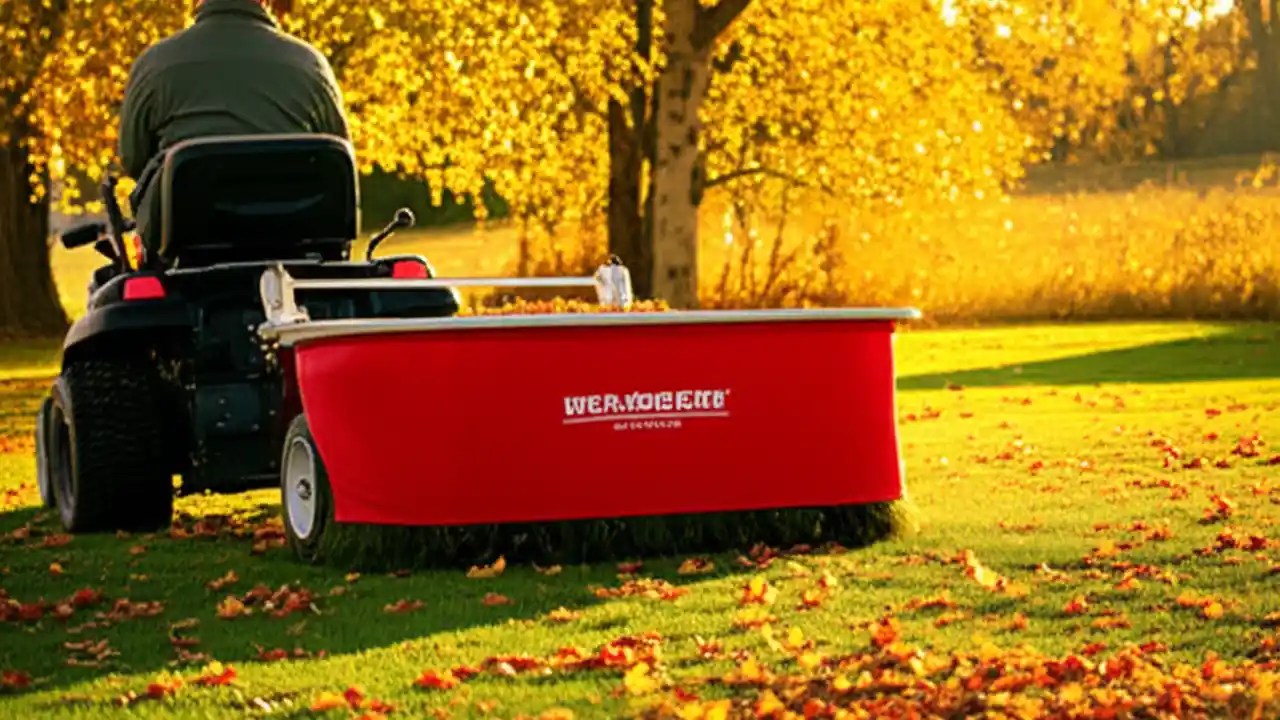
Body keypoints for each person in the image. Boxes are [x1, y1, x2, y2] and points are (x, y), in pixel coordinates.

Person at [118, 0, 351, 258]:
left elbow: (133, 158)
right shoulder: (310, 65)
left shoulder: (155, 64)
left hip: (186, 242)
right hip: (295, 239)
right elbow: (339, 159)